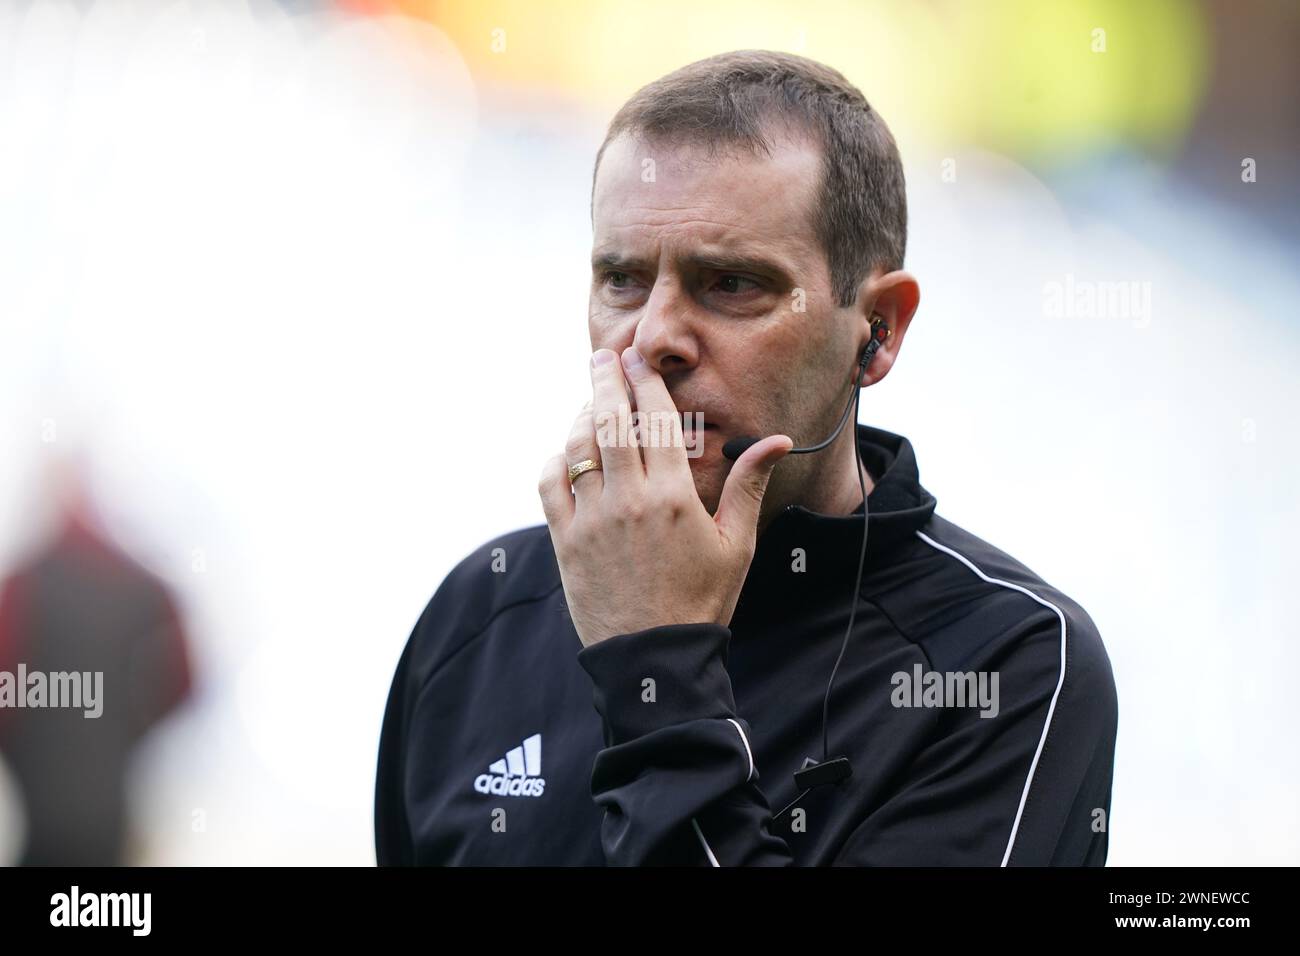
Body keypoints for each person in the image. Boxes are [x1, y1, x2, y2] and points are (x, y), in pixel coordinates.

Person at [375, 50, 1118, 866]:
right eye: (621, 279)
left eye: (730, 284)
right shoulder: (479, 618)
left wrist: (655, 666)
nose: (653, 336)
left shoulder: (1007, 666)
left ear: (879, 331)